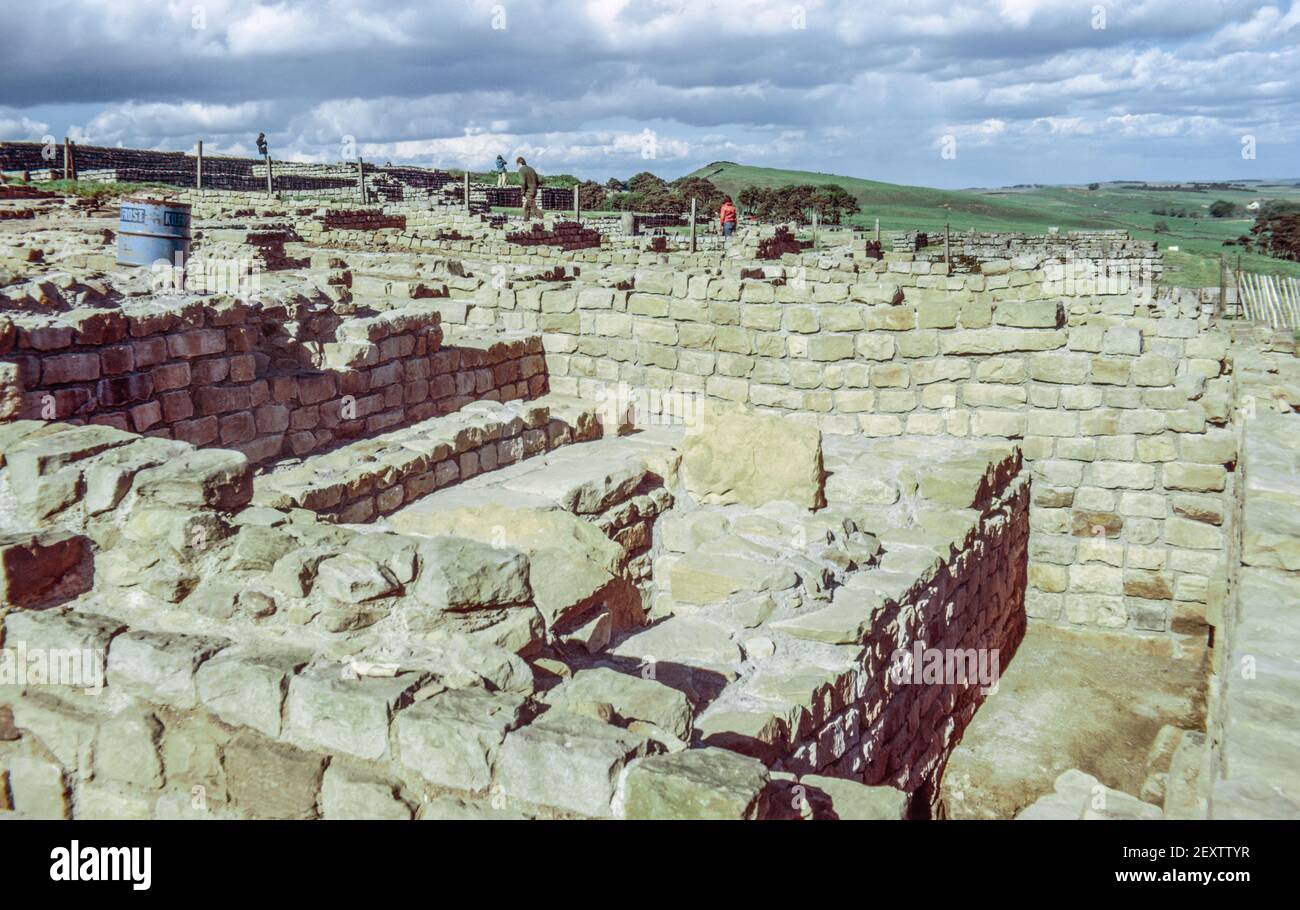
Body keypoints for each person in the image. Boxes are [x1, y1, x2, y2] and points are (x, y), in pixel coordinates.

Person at [517, 156, 541, 221]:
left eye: (517, 165)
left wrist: (522, 191)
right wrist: (535, 186)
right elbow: (540, 180)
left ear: (519, 163)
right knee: (527, 208)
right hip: (534, 190)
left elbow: (522, 182)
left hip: (528, 192)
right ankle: (526, 221)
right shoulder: (531, 169)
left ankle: (543, 220)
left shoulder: (521, 170)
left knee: (534, 207)